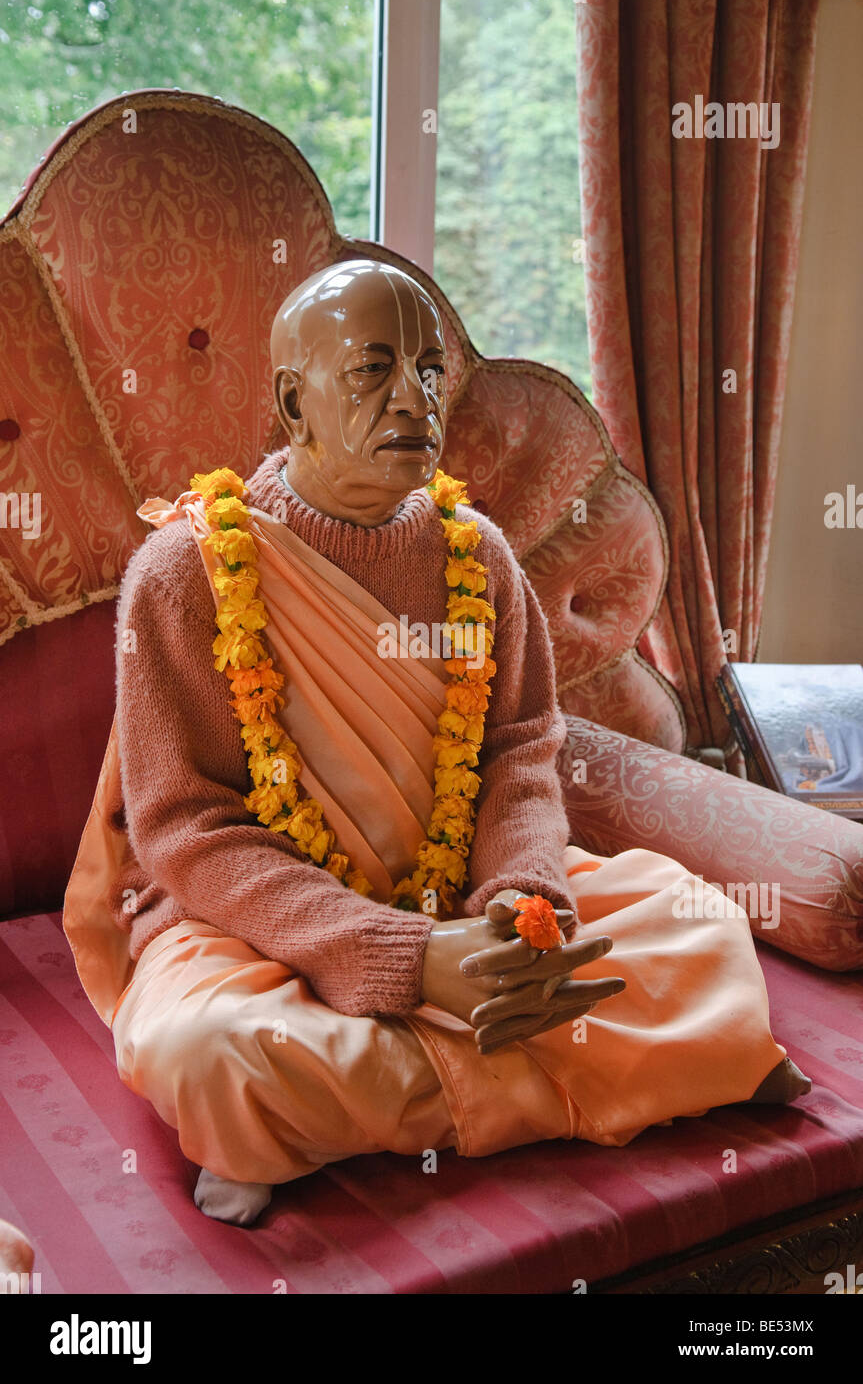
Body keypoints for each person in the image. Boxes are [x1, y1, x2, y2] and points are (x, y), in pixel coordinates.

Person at [64, 261, 808, 1227]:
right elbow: (185, 830)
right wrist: (409, 959)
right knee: (204, 1050)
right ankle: (599, 1065)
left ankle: (319, 1117)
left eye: (428, 371)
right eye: (373, 370)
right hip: (258, 931)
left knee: (698, 929)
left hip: (462, 884)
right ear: (294, 402)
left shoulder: (477, 555)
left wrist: (519, 909)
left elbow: (518, 755)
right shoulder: (186, 570)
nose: (414, 399)